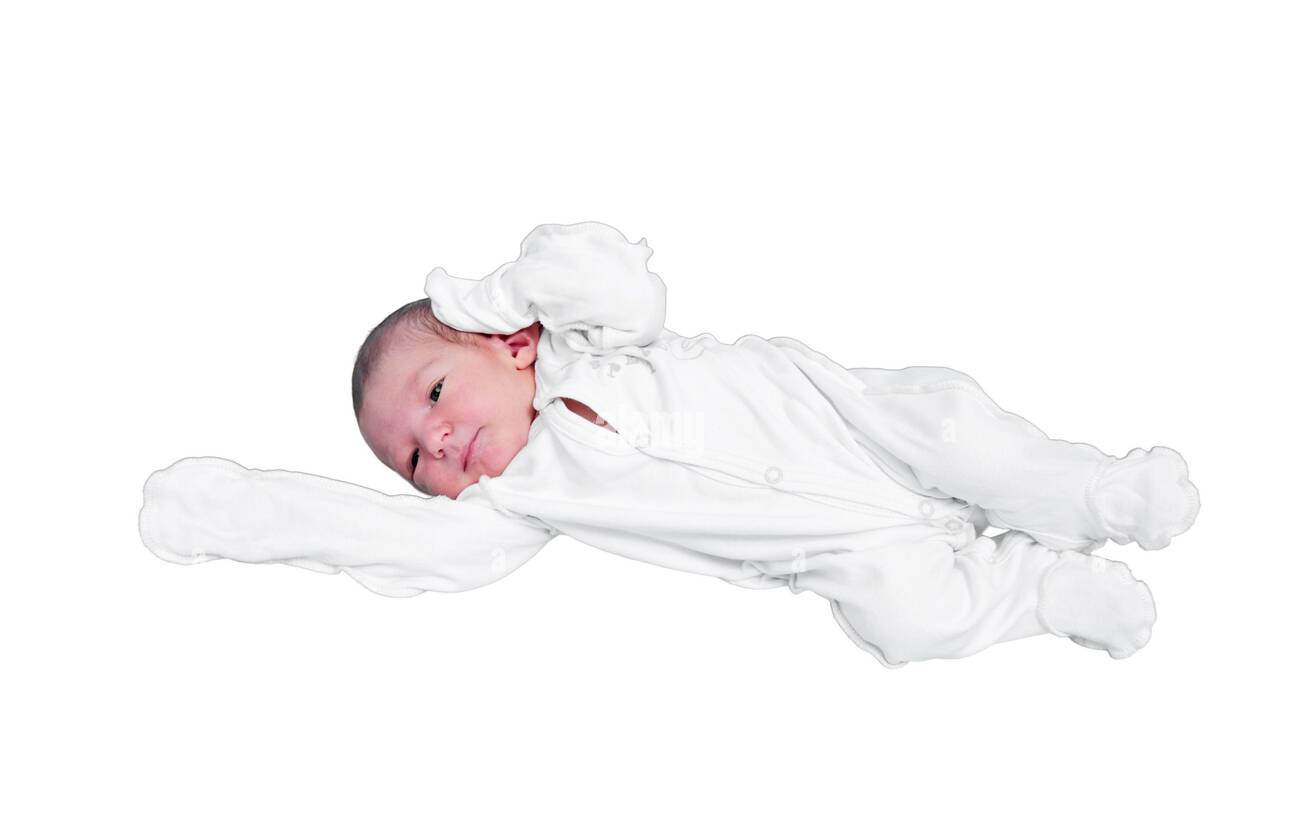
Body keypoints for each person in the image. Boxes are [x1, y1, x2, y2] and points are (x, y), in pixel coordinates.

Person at [138, 222, 1200, 667]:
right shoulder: (518, 505)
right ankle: (1043, 595)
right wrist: (244, 518)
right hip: (835, 554)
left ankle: (1103, 496)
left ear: (506, 344)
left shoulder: (594, 345)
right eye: (413, 456)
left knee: (970, 435)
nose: (440, 438)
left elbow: (617, 276)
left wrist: (499, 292)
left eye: (432, 391)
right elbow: (415, 551)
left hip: (860, 429)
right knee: (907, 622)